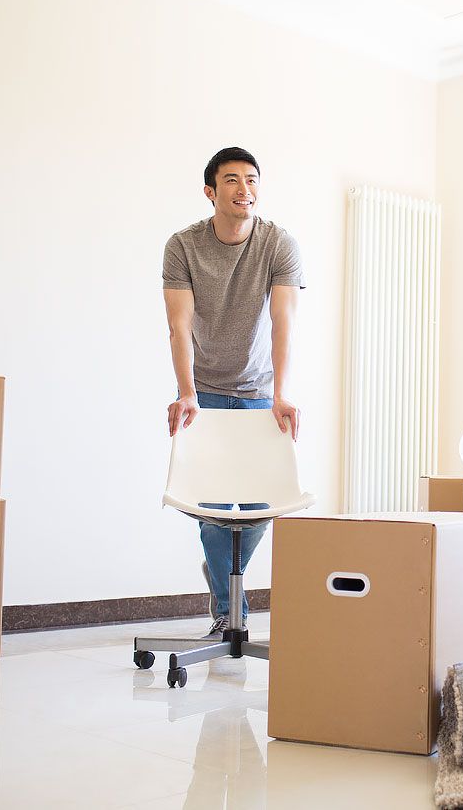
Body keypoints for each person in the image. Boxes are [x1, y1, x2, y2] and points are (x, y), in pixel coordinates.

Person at [162, 146, 304, 637]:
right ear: (210, 191)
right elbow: (178, 326)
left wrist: (281, 393)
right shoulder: (183, 246)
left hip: (260, 389)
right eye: (231, 181)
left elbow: (282, 320)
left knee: (262, 504)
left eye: (251, 180)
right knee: (213, 507)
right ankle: (229, 610)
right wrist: (186, 393)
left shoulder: (278, 243)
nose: (244, 189)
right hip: (204, 389)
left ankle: (224, 589)